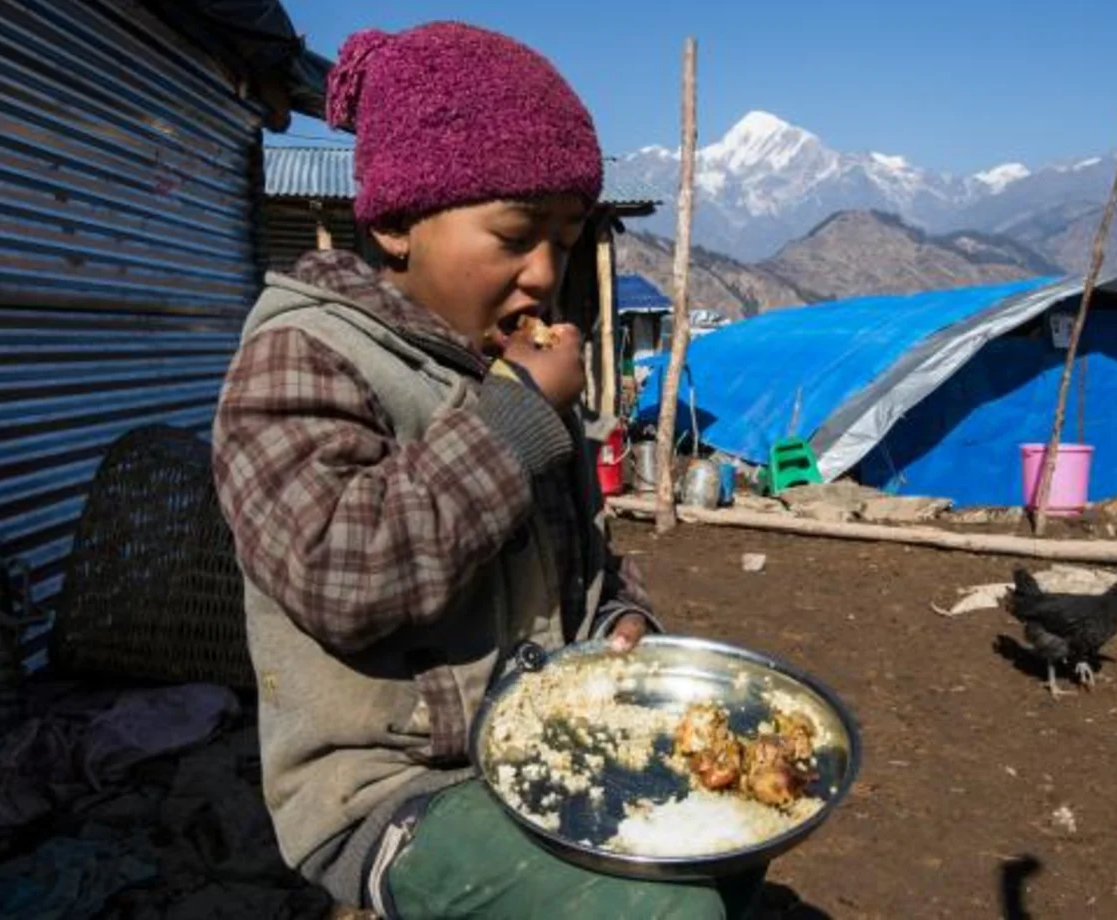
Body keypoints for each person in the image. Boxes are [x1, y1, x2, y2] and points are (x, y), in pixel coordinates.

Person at [210, 20, 766, 919]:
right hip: (392, 791)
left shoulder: (511, 370)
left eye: (565, 237)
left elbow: (579, 553)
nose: (544, 274)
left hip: (540, 743)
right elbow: (341, 577)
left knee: (730, 839)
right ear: (396, 223)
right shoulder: (301, 360)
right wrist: (513, 420)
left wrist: (618, 621)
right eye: (513, 236)